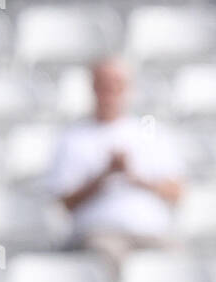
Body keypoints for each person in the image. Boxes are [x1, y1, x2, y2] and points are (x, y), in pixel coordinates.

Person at [46, 58, 184, 271]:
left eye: (116, 85)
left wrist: (135, 178)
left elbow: (176, 192)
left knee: (175, 261)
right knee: (106, 256)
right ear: (93, 88)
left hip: (150, 232)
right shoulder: (74, 137)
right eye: (104, 85)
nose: (110, 92)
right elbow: (66, 202)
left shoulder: (151, 133)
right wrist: (105, 175)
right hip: (97, 233)